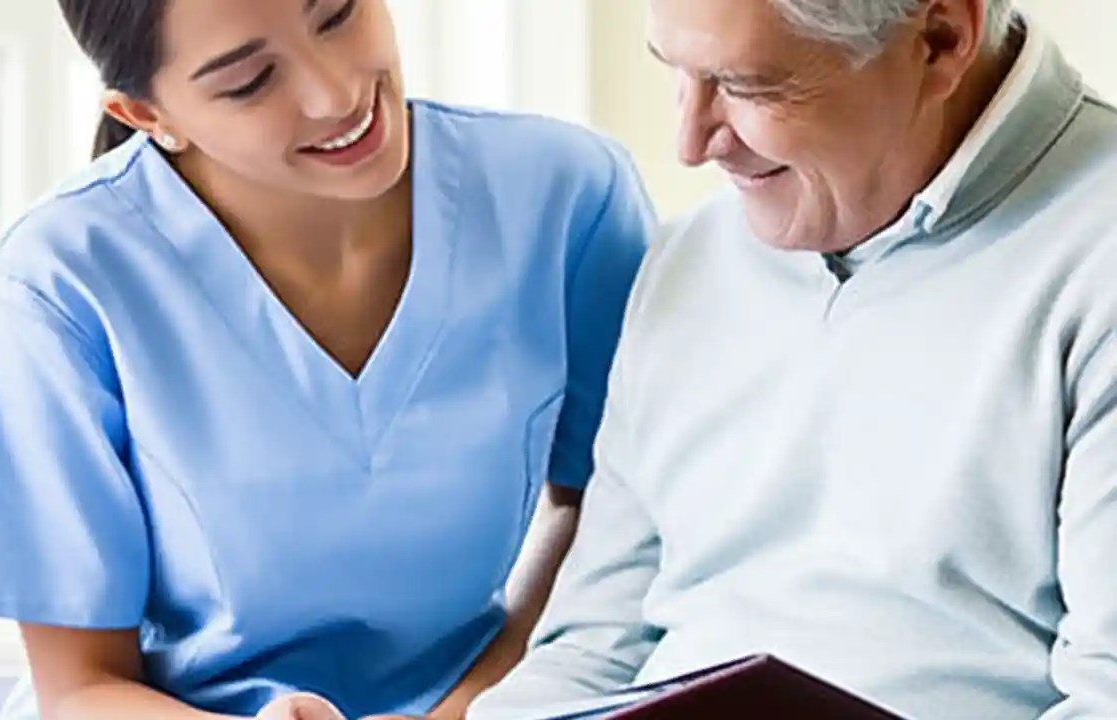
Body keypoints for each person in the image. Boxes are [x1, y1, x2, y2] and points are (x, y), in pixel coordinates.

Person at [0, 0, 654, 717]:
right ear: (146, 116)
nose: (336, 93)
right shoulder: (53, 284)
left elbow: (610, 515)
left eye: (338, 14)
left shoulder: (566, 194)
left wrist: (473, 707)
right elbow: (77, 688)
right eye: (251, 81)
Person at [470, 1, 1117, 719]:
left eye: (746, 86)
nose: (691, 141)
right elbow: (593, 652)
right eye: (679, 75)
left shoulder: (1097, 256)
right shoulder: (691, 261)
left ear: (938, 40)